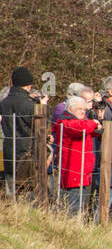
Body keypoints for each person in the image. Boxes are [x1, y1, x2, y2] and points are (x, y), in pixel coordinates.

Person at [0, 66, 45, 197]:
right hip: (27, 150)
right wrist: (41, 106)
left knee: (10, 188)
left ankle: (12, 211)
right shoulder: (29, 104)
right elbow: (41, 124)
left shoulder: (4, 103)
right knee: (28, 191)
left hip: (8, 147)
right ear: (29, 85)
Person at [54, 96, 101, 218]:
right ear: (70, 109)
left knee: (80, 207)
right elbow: (81, 128)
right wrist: (94, 123)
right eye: (79, 109)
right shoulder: (66, 122)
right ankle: (70, 231)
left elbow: (93, 131)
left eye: (84, 110)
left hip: (82, 172)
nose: (83, 112)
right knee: (73, 208)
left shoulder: (80, 122)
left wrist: (96, 127)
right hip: (73, 173)